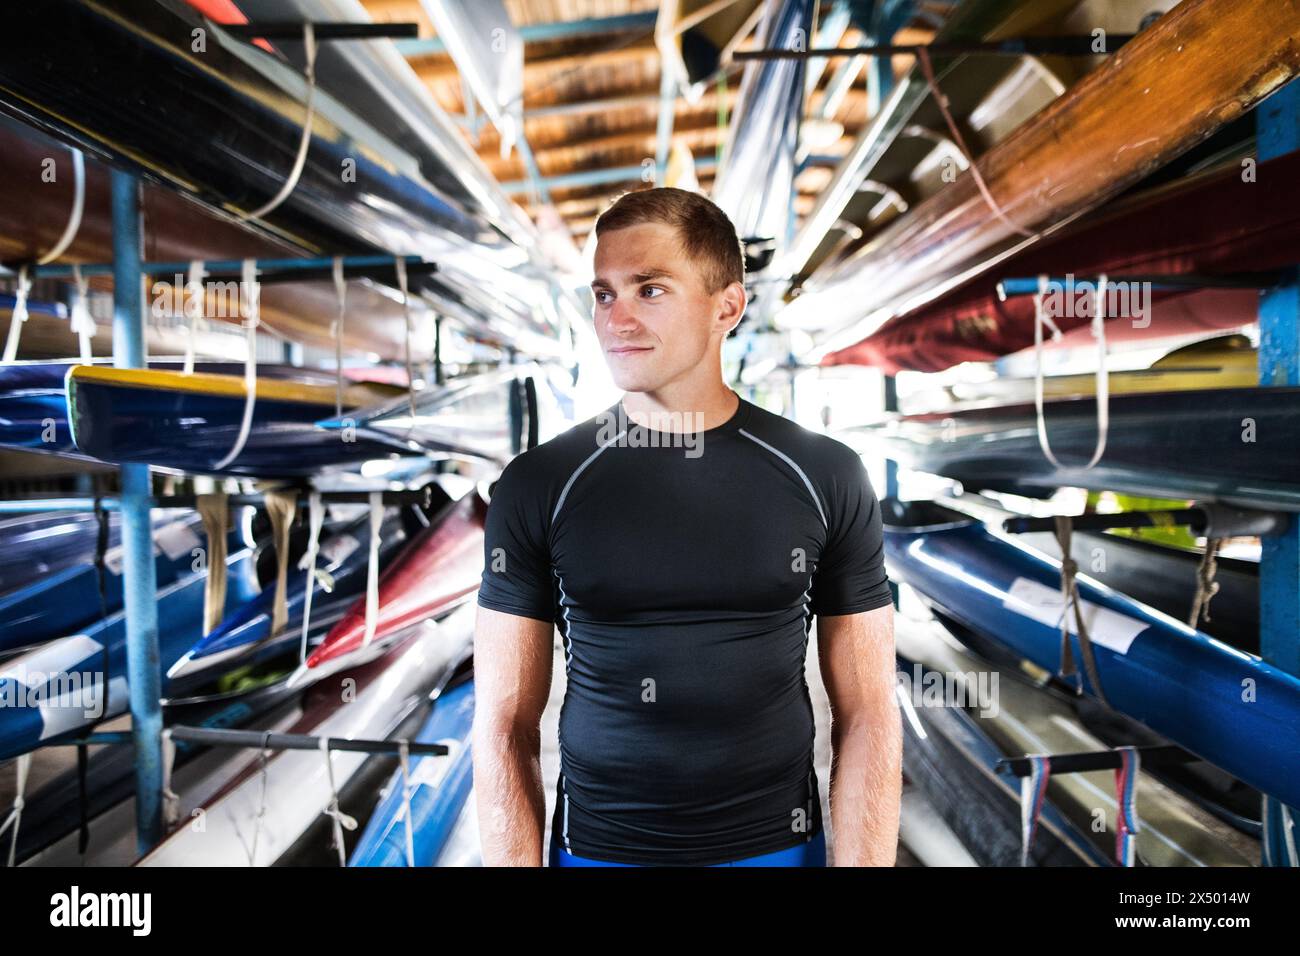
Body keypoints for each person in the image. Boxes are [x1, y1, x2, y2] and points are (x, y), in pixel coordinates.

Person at [472, 186, 900, 867]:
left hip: (776, 850)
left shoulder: (826, 476)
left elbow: (871, 713)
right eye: (605, 293)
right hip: (601, 852)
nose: (617, 319)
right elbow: (502, 727)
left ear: (726, 306)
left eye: (650, 290)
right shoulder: (538, 485)